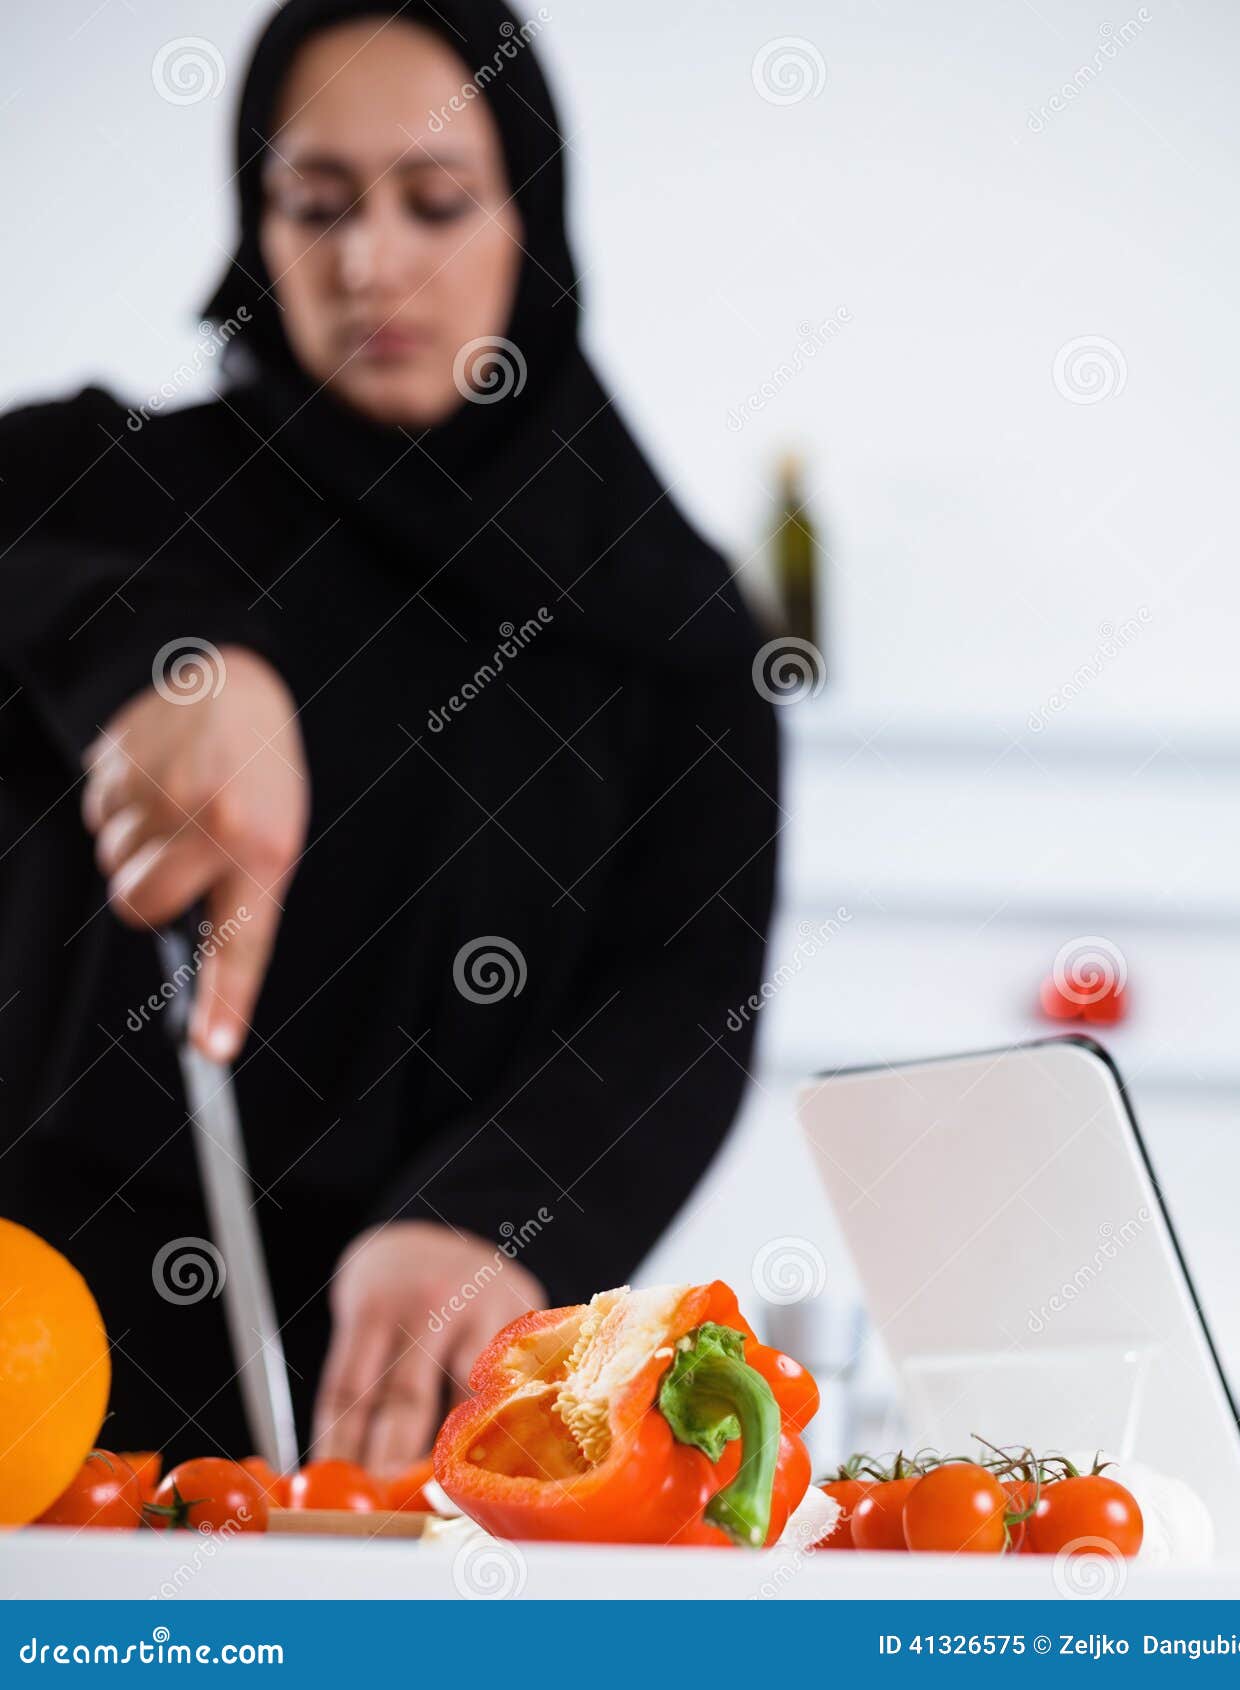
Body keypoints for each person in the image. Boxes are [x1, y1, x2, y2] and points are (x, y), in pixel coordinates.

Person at [0, 0, 777, 1476]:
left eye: (434, 203)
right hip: (29, 1364)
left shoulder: (672, 624)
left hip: (420, 1390)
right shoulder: (95, 487)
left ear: (529, 219)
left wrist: (496, 1211)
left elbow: (691, 997)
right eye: (315, 204)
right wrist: (156, 657)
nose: (370, 262)